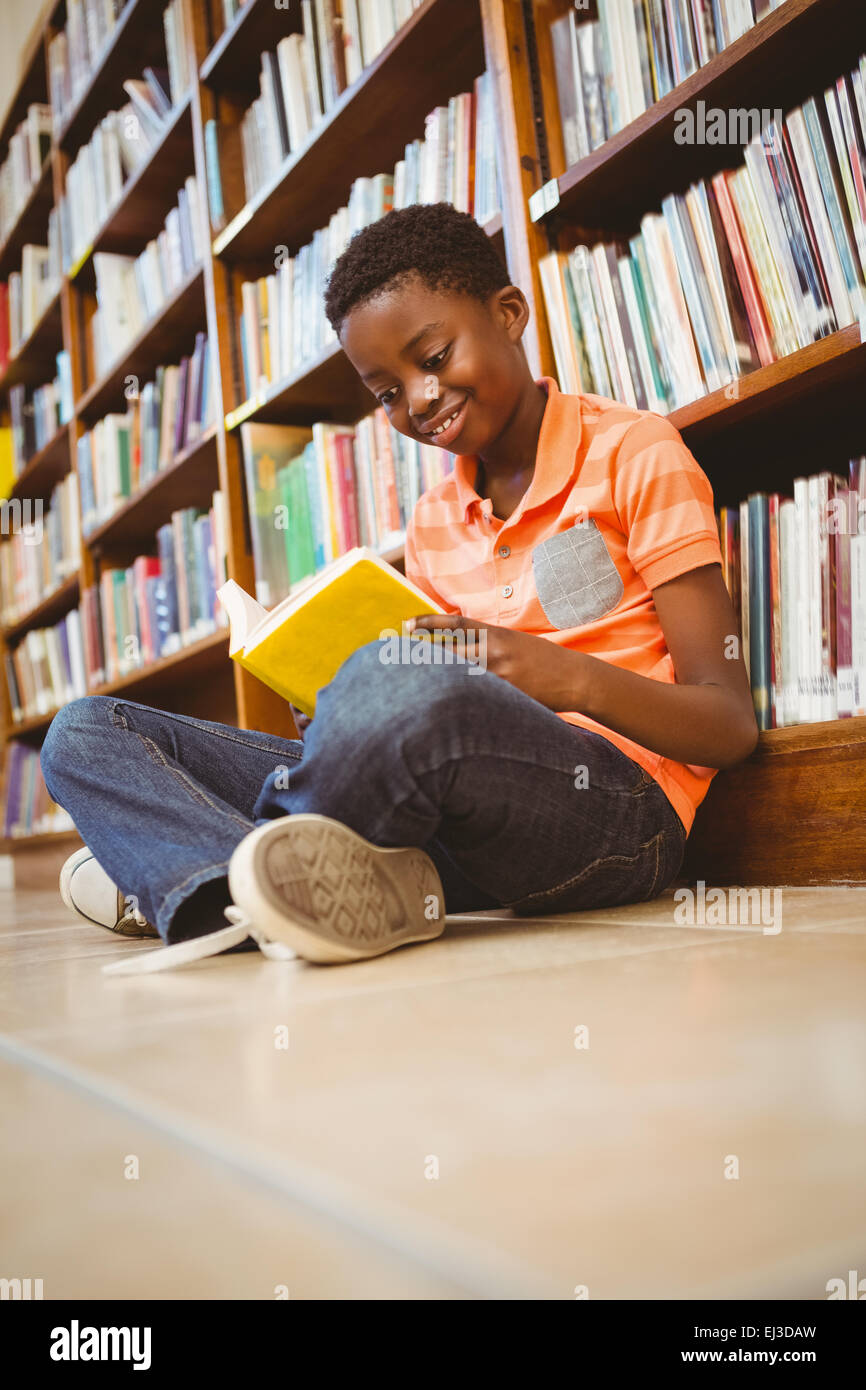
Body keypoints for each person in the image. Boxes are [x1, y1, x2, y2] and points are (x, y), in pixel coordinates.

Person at [41, 202, 758, 971]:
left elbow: (728, 724)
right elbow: (428, 712)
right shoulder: (432, 518)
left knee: (404, 688)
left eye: (435, 357)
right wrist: (332, 697)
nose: (418, 399)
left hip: (620, 814)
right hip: (453, 820)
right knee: (85, 732)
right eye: (386, 393)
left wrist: (568, 679)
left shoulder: (634, 451)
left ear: (509, 314)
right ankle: (248, 890)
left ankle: (205, 871)